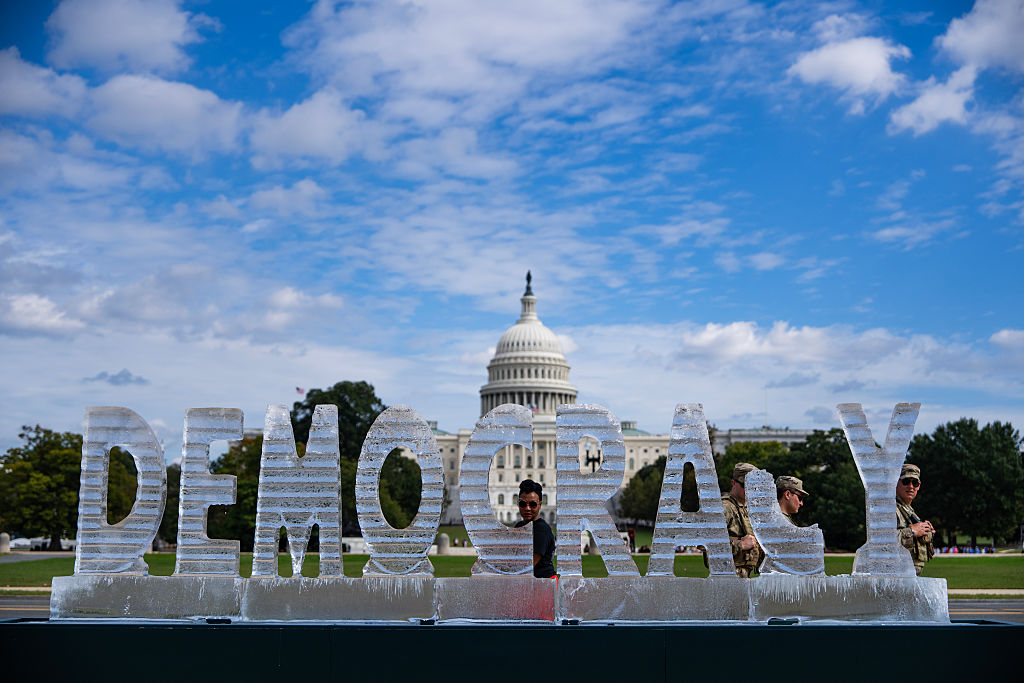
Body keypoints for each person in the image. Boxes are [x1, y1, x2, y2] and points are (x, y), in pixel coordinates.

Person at [721, 462, 764, 578]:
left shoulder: (748, 509)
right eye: (745, 486)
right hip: (727, 577)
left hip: (745, 577)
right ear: (733, 483)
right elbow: (705, 542)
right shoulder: (725, 508)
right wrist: (740, 544)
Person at [895, 463, 934, 575]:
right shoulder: (888, 510)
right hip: (894, 578)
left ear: (919, 485)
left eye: (915, 483)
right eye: (906, 481)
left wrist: (926, 533)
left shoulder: (910, 512)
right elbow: (881, 543)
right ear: (896, 483)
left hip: (909, 579)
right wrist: (912, 531)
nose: (911, 486)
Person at [514, 479, 556, 578]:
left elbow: (528, 565)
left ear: (540, 505)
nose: (527, 508)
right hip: (531, 582)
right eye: (523, 504)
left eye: (532, 504)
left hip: (544, 583)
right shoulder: (520, 526)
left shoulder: (541, 529)